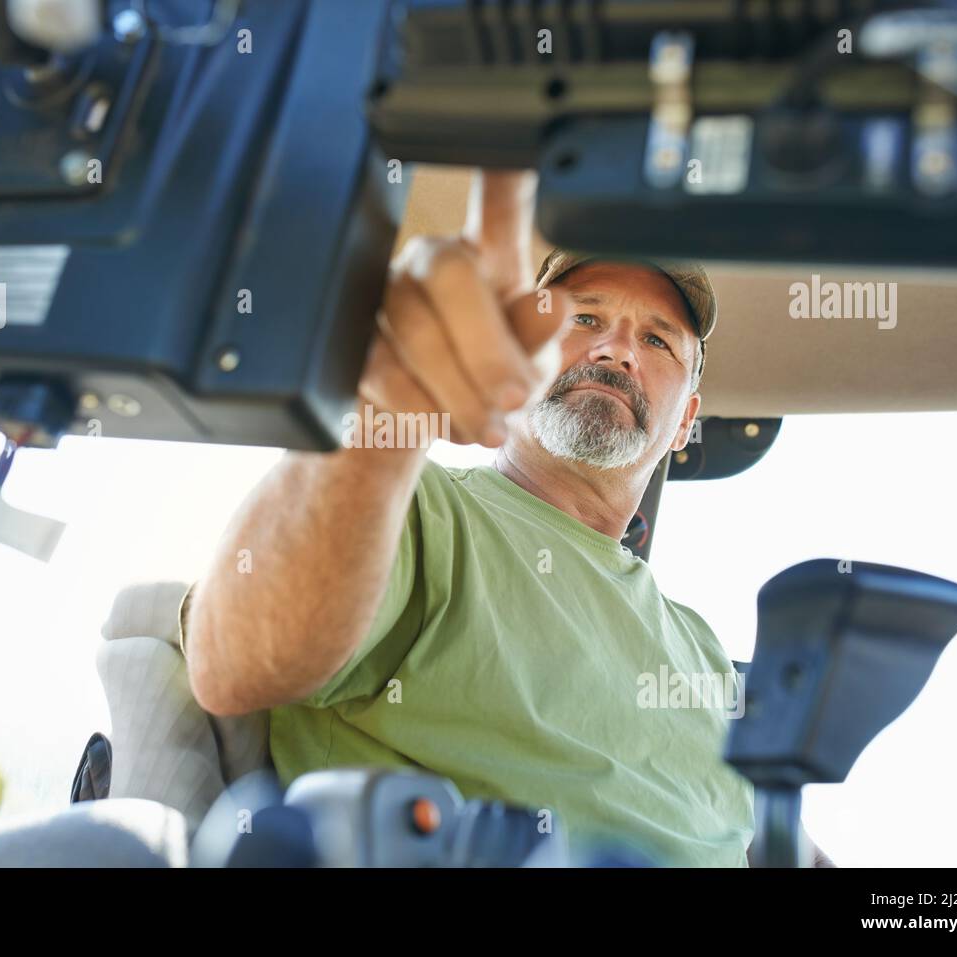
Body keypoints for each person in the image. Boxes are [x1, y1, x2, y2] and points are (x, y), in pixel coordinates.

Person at [182, 170, 832, 866]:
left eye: (658, 340)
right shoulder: (413, 509)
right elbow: (232, 663)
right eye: (583, 318)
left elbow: (768, 835)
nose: (615, 350)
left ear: (686, 425)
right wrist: (388, 398)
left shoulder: (704, 654)